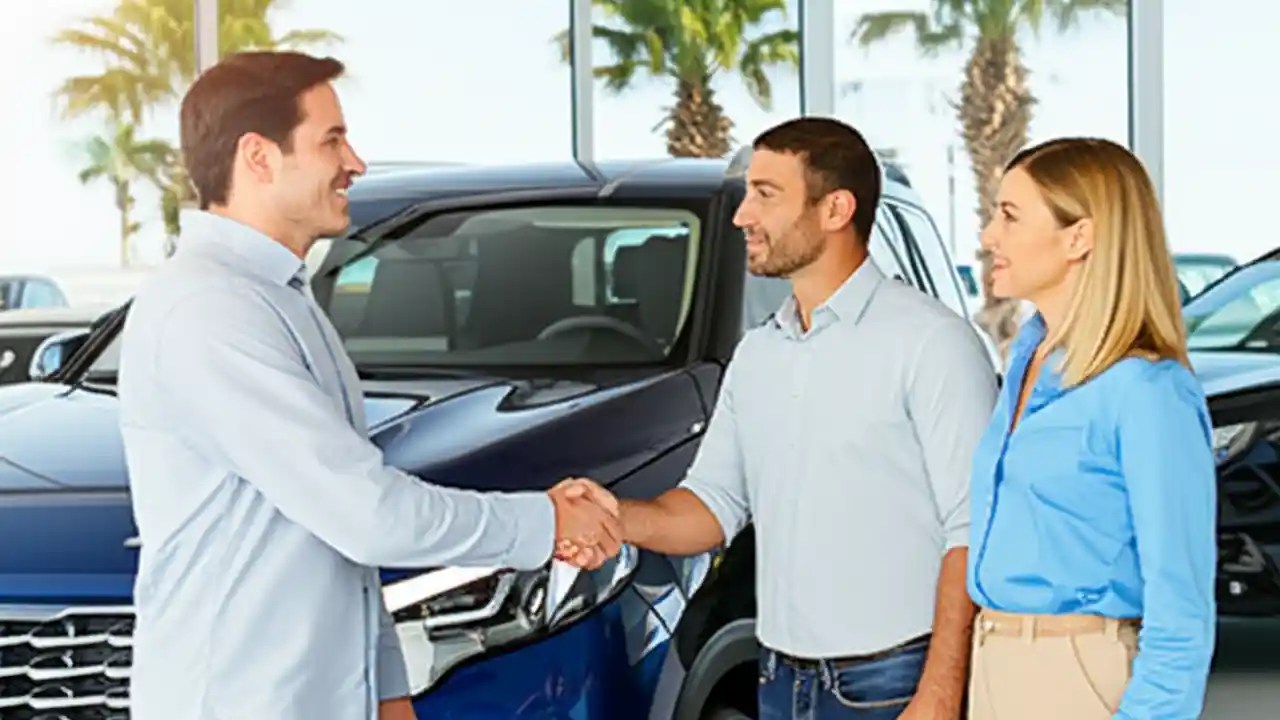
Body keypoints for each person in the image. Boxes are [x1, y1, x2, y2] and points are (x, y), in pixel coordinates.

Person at [116, 51, 620, 720]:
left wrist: (386, 692)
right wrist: (547, 521)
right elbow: (365, 514)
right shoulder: (211, 310)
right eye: (331, 139)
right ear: (258, 157)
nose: (354, 161)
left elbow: (333, 538)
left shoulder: (281, 299)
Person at [556, 117, 999, 719]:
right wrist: (615, 517)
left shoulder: (932, 344)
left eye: (766, 194)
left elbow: (973, 533)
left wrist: (941, 694)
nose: (743, 215)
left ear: (836, 208)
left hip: (891, 684)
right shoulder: (761, 352)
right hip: (779, 681)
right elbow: (711, 507)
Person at [965, 137, 1217, 719]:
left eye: (1009, 215)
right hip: (996, 667)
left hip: (1080, 679)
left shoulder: (1148, 393)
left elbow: (1181, 617)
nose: (988, 237)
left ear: (1079, 237)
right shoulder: (1025, 362)